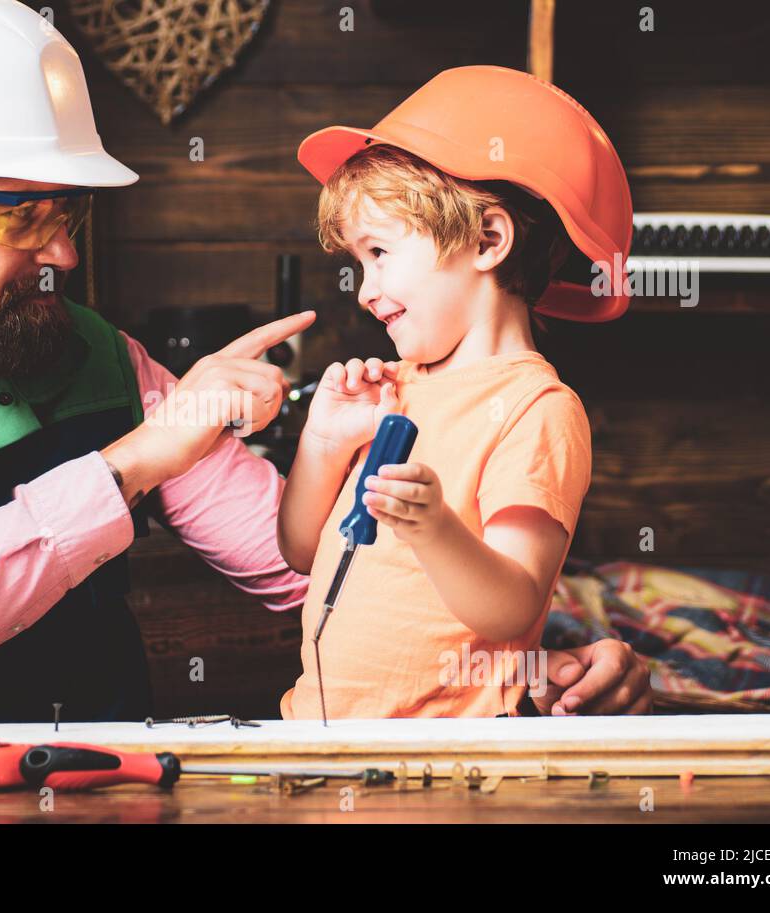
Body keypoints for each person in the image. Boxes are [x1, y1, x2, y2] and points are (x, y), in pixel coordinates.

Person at [0, 2, 648, 723]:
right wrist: (140, 459)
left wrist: (530, 659)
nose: (64, 256)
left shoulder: (99, 360)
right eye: (24, 216)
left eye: (70, 212)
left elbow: (326, 575)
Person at [279, 66, 652, 719]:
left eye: (380, 252)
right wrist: (321, 444)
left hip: (444, 756)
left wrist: (433, 527)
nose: (364, 290)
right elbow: (303, 551)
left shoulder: (538, 409)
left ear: (487, 239)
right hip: (318, 732)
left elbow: (512, 606)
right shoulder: (395, 390)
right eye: (357, 263)